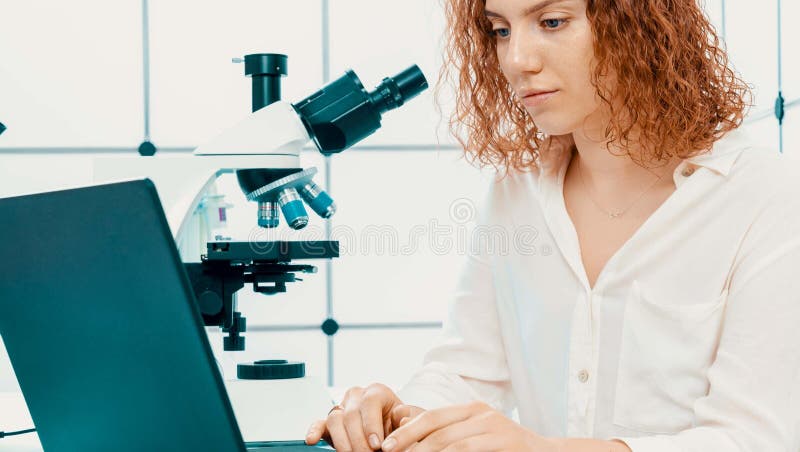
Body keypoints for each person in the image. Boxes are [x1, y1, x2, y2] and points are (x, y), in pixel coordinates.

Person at [307, 0, 800, 450]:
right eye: (499, 30)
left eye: (551, 22)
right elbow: (466, 373)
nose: (517, 59)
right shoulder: (517, 192)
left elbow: (755, 437)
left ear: (641, 23)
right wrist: (397, 416)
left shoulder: (763, 195)